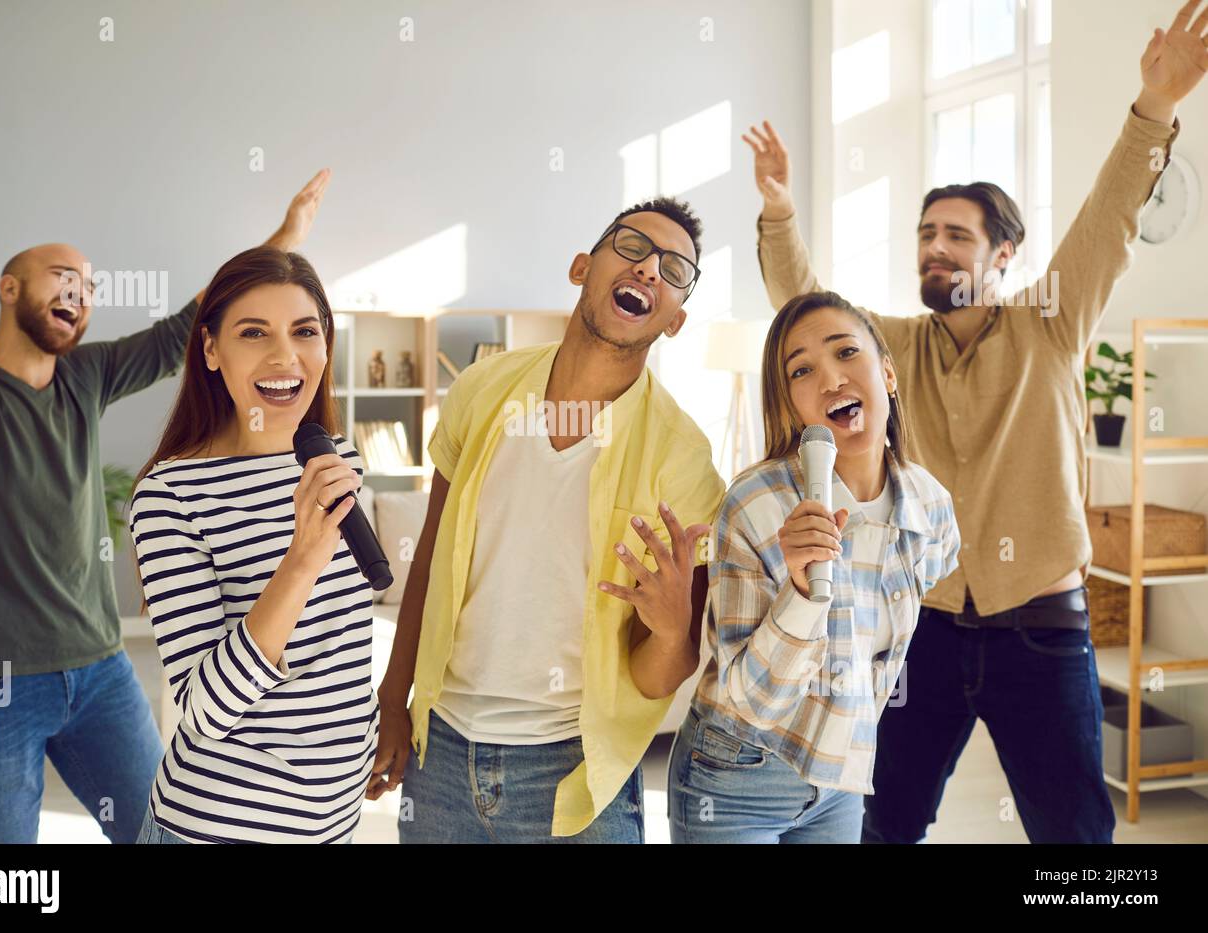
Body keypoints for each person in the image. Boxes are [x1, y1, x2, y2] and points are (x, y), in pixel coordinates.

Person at [747, 0, 1208, 843]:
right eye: (926, 234)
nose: (934, 247)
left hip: (1043, 625)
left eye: (956, 236)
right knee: (884, 825)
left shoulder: (1052, 322)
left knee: (1075, 841)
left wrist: (1156, 108)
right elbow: (802, 307)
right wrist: (778, 211)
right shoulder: (890, 350)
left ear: (1003, 255)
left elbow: (1108, 217)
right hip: (921, 624)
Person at [0, 55, 331, 842]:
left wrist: (285, 239)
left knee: (161, 834)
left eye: (91, 286)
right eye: (62, 277)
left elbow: (188, 328)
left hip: (102, 673)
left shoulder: (86, 378)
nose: (80, 293)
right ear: (9, 288)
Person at [367, 198, 726, 842]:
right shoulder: (480, 391)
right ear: (582, 266)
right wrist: (393, 699)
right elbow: (428, 557)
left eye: (674, 270)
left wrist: (673, 633)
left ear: (676, 319)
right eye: (633, 247)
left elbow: (660, 671)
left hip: (576, 776)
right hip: (440, 754)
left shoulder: (684, 457)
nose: (649, 272)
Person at [670, 291, 960, 843]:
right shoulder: (754, 506)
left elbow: (931, 574)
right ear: (791, 406)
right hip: (735, 773)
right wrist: (801, 595)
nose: (830, 379)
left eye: (846, 352)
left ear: (889, 375)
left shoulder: (930, 507)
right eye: (801, 369)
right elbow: (754, 702)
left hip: (840, 774)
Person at [131, 247, 375, 844]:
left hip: (335, 822)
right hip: (220, 826)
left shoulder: (337, 458)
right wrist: (301, 562)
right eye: (253, 332)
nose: (284, 356)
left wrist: (371, 731)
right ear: (211, 350)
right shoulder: (170, 494)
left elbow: (343, 643)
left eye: (304, 332)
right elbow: (204, 709)